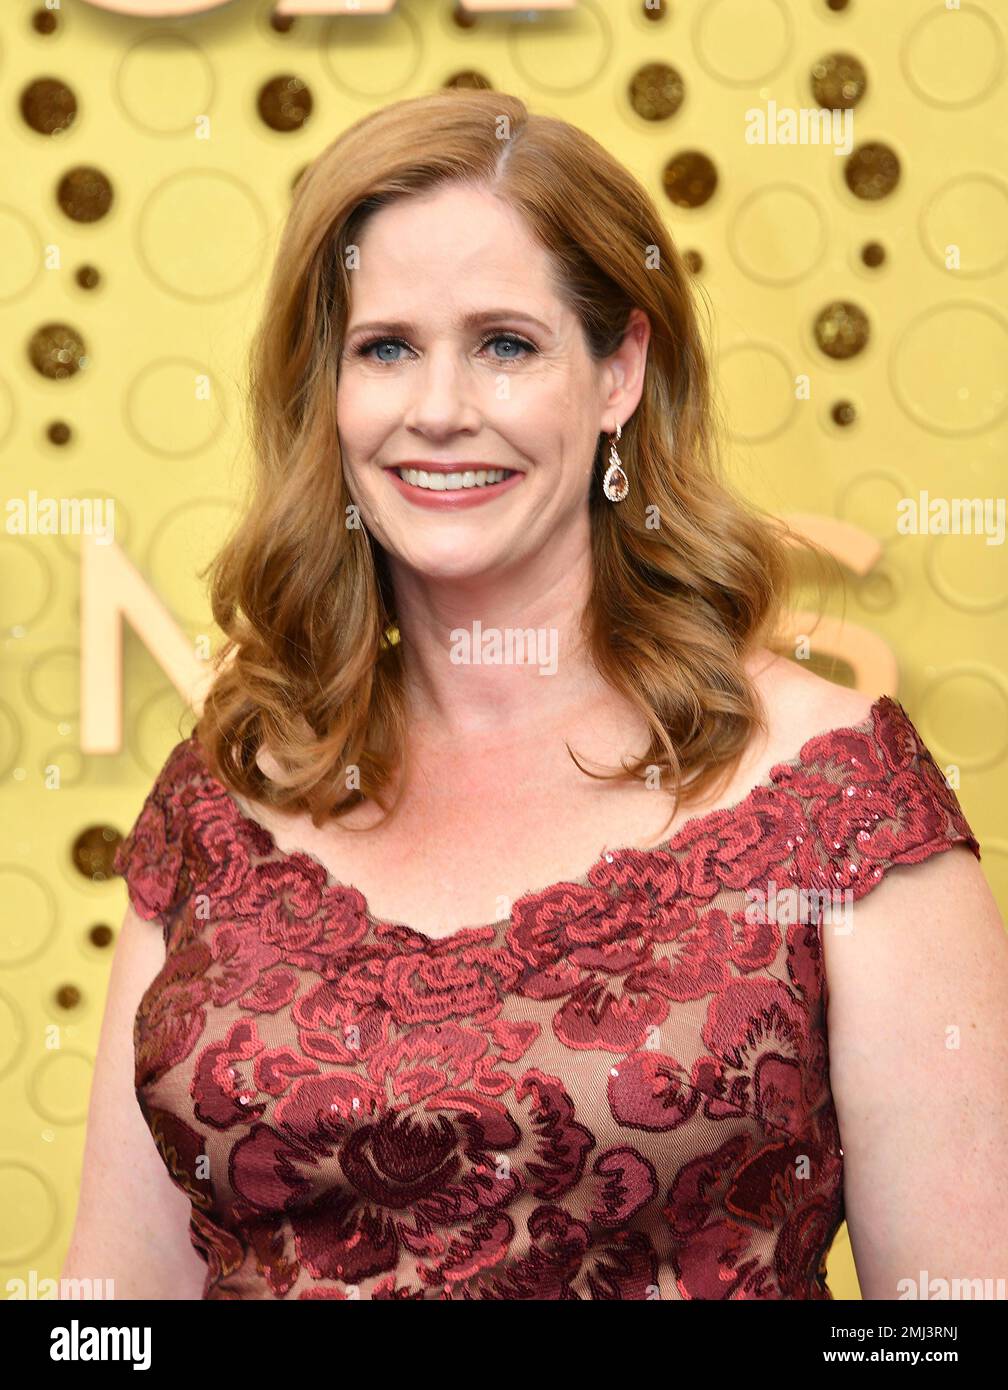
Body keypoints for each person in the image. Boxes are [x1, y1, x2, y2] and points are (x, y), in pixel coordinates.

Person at [62, 90, 1008, 1300]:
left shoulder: (835, 803)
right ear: (330, 390)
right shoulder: (228, 789)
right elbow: (106, 1318)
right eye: (386, 347)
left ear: (620, 371)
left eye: (507, 344)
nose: (440, 408)